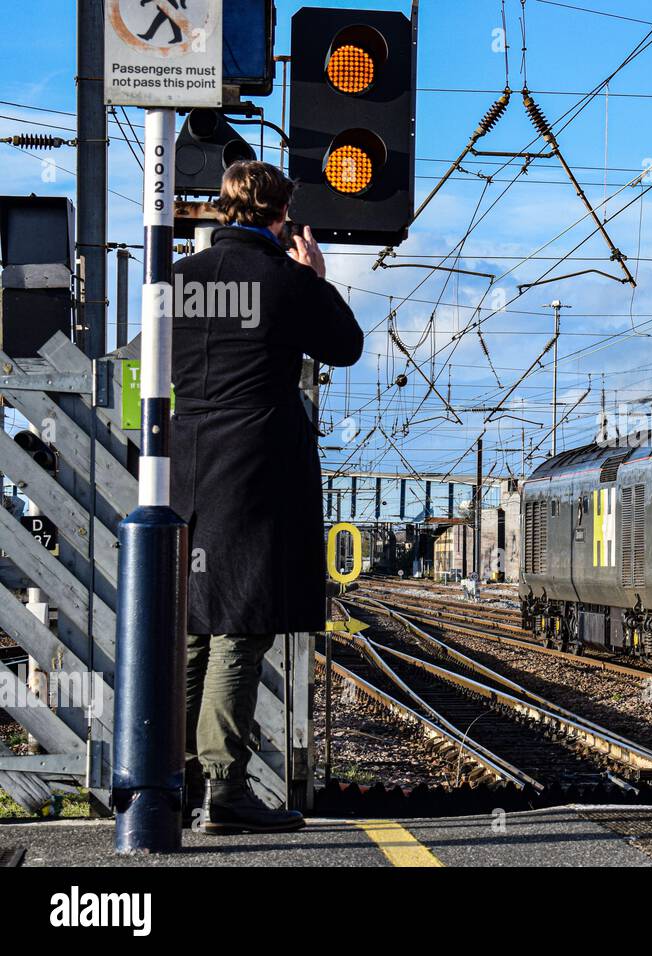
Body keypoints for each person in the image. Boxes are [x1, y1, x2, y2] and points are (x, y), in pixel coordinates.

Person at [171, 160, 364, 833]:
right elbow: (345, 346)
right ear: (282, 218)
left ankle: (175, 783)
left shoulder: (177, 282)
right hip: (255, 468)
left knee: (192, 628)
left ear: (223, 210)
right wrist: (316, 278)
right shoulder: (283, 281)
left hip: (184, 468)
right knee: (241, 627)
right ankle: (225, 789)